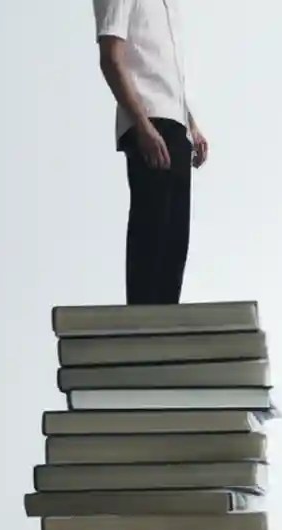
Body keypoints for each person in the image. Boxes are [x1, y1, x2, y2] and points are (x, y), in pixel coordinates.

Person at [92, 0, 208, 305]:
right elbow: (111, 57)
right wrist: (142, 125)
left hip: (176, 124)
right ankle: (141, 322)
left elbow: (169, 67)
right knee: (151, 232)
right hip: (148, 118)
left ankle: (164, 324)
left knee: (174, 242)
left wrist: (191, 123)